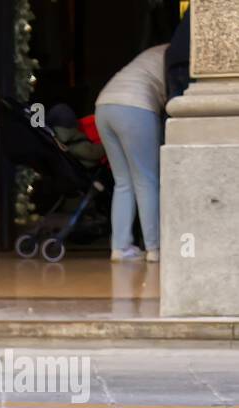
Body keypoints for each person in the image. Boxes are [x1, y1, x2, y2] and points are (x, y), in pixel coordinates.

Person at [94, 43, 169, 263]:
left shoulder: (154, 52)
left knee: (123, 181)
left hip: (104, 106)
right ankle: (154, 248)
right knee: (147, 180)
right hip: (136, 106)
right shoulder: (177, 55)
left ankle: (120, 247)